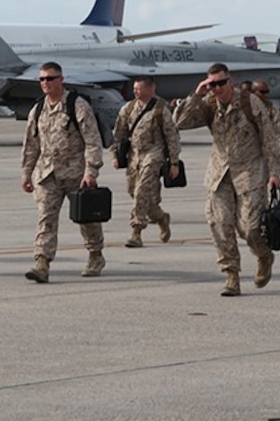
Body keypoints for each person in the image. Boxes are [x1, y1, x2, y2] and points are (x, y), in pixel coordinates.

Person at [173, 63, 280, 296]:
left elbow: (269, 139)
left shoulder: (249, 103)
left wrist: (274, 173)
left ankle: (264, 255)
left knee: (250, 229)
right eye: (213, 84)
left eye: (221, 83)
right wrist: (196, 94)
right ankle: (231, 275)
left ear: (230, 81)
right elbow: (179, 122)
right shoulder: (209, 104)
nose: (218, 88)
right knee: (220, 225)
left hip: (249, 172)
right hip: (219, 173)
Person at [20, 62, 106, 283]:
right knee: (45, 218)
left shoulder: (77, 105)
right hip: (47, 175)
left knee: (86, 220)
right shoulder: (38, 109)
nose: (45, 83)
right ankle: (42, 262)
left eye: (50, 78)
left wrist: (91, 172)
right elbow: (31, 145)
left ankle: (95, 254)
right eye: (42, 79)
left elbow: (92, 140)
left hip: (76, 174)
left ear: (61, 79)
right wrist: (26, 173)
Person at [111, 76, 181, 248]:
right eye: (134, 88)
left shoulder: (160, 110)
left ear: (150, 89)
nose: (135, 91)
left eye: (139, 88)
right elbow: (118, 133)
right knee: (134, 192)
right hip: (134, 156)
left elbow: (172, 136)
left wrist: (174, 162)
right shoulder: (128, 109)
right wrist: (115, 155)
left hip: (153, 154)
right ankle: (161, 217)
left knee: (142, 190)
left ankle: (136, 231)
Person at [252, 79, 280, 167]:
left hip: (264, 158)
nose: (266, 95)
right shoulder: (242, 110)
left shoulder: (272, 113)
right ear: (253, 93)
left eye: (267, 92)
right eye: (262, 92)